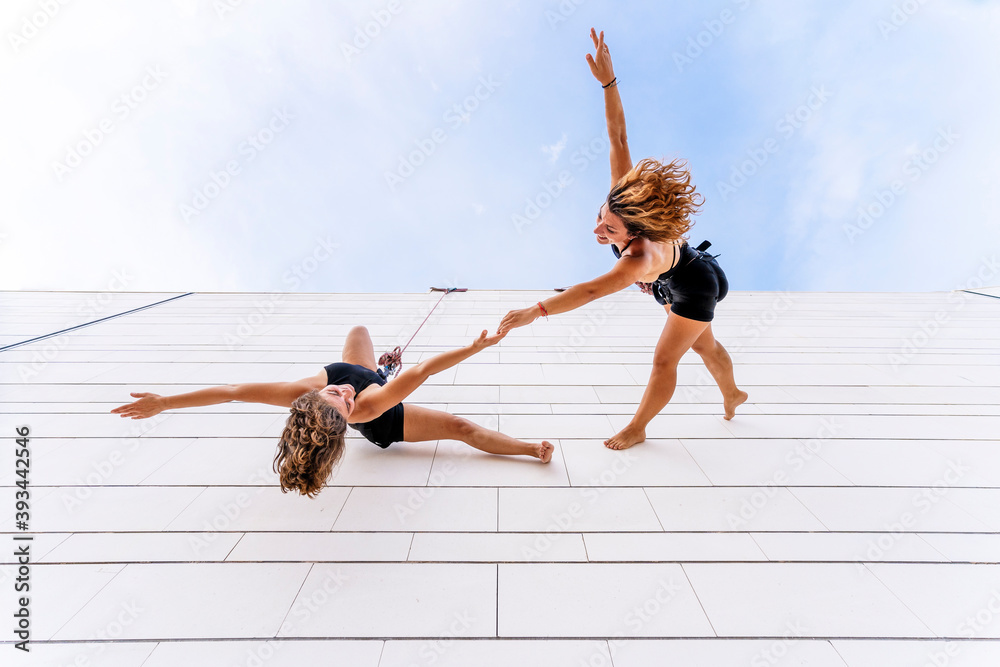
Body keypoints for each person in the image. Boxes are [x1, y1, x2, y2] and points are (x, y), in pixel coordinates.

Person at [498, 28, 747, 450]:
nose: (598, 230)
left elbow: (592, 289)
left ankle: (638, 427)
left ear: (635, 233)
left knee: (666, 359)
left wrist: (533, 311)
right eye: (601, 217)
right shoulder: (623, 200)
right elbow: (618, 137)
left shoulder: (636, 259)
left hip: (695, 283)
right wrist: (608, 83)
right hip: (675, 277)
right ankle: (733, 393)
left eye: (609, 231)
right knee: (705, 345)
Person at [111, 326, 554, 496]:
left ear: (309, 400)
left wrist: (164, 402)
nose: (344, 392)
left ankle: (377, 367)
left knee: (359, 331)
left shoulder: (298, 393)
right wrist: (474, 347)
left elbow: (230, 391)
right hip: (387, 421)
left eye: (335, 395)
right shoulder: (367, 406)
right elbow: (422, 371)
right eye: (344, 401)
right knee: (458, 426)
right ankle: (529, 448)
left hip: (368, 373)